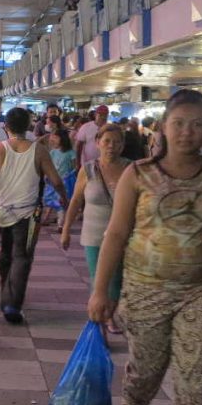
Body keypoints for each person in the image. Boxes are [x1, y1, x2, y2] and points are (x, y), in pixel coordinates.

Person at [86, 89, 202, 405]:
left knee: (197, 382)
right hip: (146, 288)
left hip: (199, 292)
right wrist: (101, 291)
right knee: (148, 368)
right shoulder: (138, 175)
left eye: (197, 123)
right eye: (180, 123)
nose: (188, 132)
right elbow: (115, 235)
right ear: (163, 128)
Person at [0, 107, 67, 324]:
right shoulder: (38, 150)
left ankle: (6, 291)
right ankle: (12, 303)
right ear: (28, 125)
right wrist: (63, 198)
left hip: (1, 210)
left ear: (6, 127)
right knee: (22, 256)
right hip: (28, 213)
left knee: (6, 251)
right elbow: (56, 180)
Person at [61, 123, 129, 334]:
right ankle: (101, 321)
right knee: (97, 278)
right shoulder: (88, 169)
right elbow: (75, 200)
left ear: (123, 145)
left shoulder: (131, 169)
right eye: (107, 141)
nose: (111, 146)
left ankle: (112, 314)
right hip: (93, 234)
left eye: (117, 142)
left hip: (123, 235)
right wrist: (66, 229)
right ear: (97, 143)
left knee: (117, 278)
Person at [42, 129, 76, 228]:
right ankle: (48, 218)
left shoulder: (70, 152)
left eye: (56, 137)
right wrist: (47, 176)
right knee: (51, 200)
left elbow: (75, 167)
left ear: (63, 139)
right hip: (54, 181)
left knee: (61, 202)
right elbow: (49, 166)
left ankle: (60, 224)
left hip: (66, 182)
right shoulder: (53, 152)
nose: (53, 139)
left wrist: (69, 176)